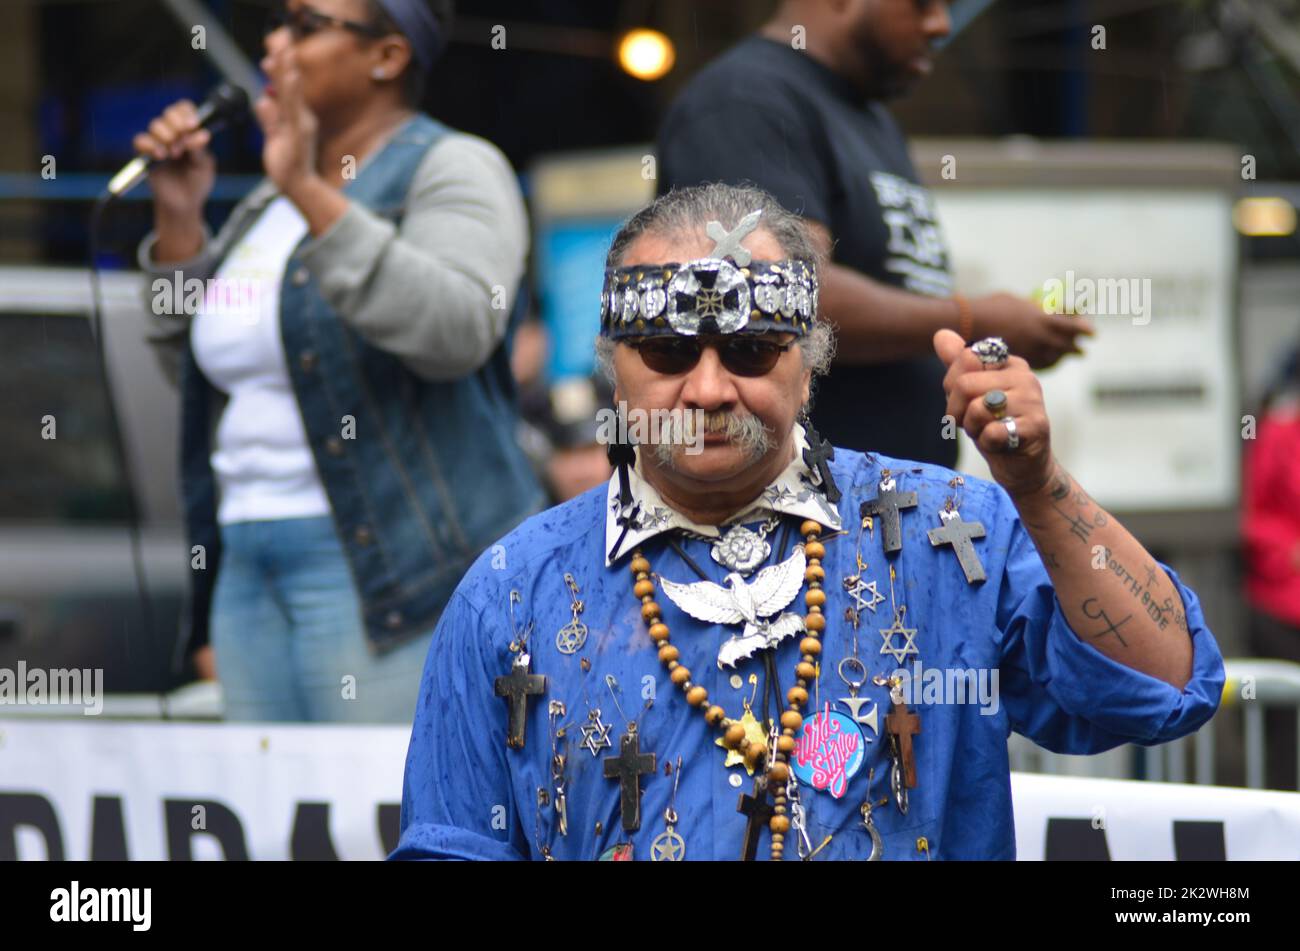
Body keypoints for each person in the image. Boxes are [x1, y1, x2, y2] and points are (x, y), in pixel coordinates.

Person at [393, 184, 1223, 861]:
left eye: (753, 350)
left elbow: (1165, 691)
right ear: (615, 367)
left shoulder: (952, 530)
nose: (711, 389)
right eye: (671, 353)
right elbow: (450, 845)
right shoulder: (509, 593)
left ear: (811, 359)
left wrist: (1039, 487)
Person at [134, 0, 544, 722]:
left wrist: (307, 189)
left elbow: (457, 328)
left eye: (304, 24)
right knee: (270, 815)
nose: (274, 45)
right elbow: (190, 369)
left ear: (386, 57)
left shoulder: (453, 166)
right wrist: (179, 219)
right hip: (248, 560)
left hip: (386, 568)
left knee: (375, 811)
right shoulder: (267, 200)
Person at [656, 0, 1092, 466]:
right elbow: (786, 290)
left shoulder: (871, 120)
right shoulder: (745, 100)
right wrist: (972, 320)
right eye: (923, 5)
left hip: (891, 511)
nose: (941, 25)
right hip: (804, 515)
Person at [1242, 346, 1300, 788]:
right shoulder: (1280, 434)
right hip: (1283, 608)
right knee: (1287, 737)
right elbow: (1251, 516)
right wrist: (1289, 551)